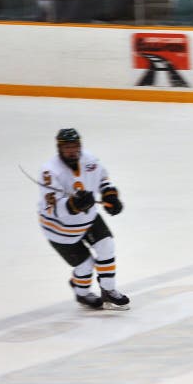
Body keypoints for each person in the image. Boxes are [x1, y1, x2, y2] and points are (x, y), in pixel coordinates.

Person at [38, 128, 129, 310]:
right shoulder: (50, 171)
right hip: (60, 229)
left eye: (74, 146)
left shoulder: (89, 159)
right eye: (67, 148)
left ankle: (108, 290)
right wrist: (73, 205)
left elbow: (103, 179)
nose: (72, 151)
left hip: (88, 218)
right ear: (59, 148)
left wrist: (110, 195)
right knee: (86, 266)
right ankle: (82, 293)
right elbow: (52, 208)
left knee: (107, 246)